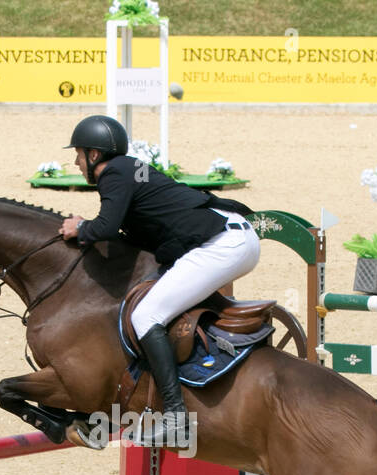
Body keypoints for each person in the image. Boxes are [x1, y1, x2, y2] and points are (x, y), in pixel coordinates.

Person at [59, 115, 258, 447]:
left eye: (78, 155)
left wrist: (80, 227)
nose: (76, 163)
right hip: (235, 236)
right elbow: (135, 235)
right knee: (164, 303)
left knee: (146, 315)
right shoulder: (133, 168)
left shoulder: (113, 173)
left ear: (94, 155)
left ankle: (177, 419)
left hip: (222, 244)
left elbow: (105, 227)